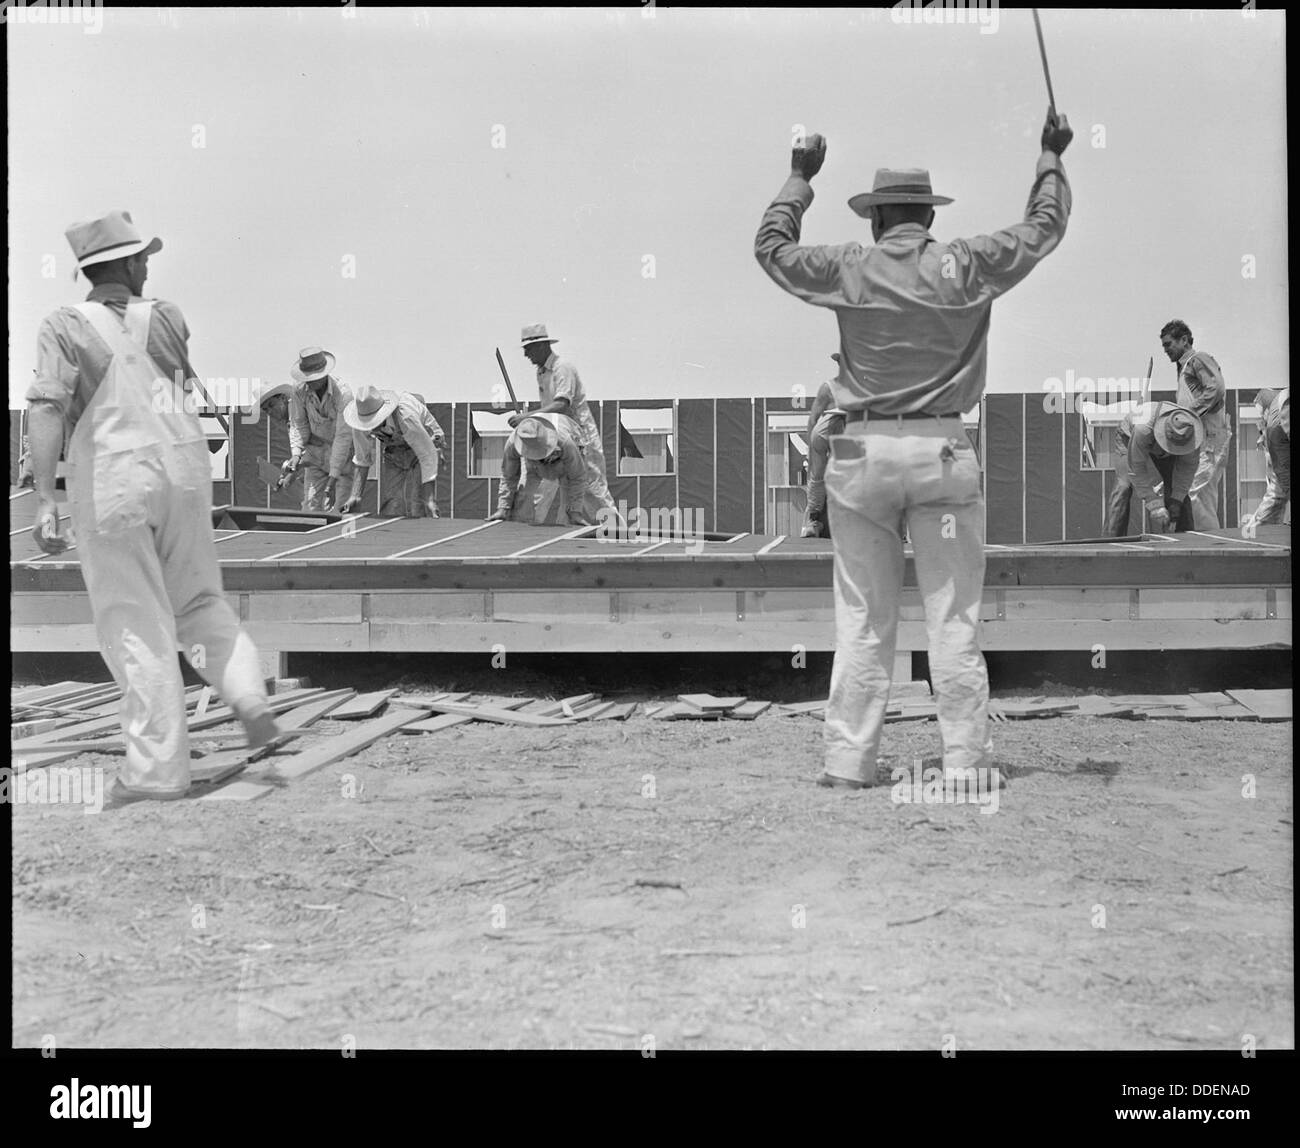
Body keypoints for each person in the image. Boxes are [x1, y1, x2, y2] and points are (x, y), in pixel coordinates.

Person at [755, 108, 1073, 792]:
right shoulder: (969, 264)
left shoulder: (851, 266)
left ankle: (848, 763)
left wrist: (798, 178)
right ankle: (964, 760)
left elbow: (772, 251)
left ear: (875, 218)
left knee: (864, 618)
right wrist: (1049, 158)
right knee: (952, 615)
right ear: (928, 217)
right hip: (944, 454)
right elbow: (1044, 229)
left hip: (862, 456)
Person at [25, 209, 281, 805]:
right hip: (186, 475)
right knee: (200, 603)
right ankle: (247, 696)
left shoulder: (63, 324)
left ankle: (156, 775)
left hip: (114, 480)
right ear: (125, 262)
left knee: (135, 620)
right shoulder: (168, 316)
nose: (147, 266)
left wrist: (44, 497)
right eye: (142, 257)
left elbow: (47, 407)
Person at [510, 324, 616, 518]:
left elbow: (562, 405)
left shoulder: (563, 368)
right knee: (542, 489)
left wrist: (528, 416)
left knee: (592, 489)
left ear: (541, 347)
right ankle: (532, 532)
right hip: (556, 437)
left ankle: (617, 531)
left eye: (528, 349)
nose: (526, 355)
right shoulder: (542, 372)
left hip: (580, 439)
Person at [1159, 319, 1231, 530]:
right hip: (1200, 441)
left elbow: (1215, 389)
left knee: (1195, 495)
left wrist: (1188, 415)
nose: (1166, 351)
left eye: (1168, 344)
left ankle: (1208, 548)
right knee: (1198, 497)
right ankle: (1208, 547)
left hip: (1210, 439)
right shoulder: (1184, 369)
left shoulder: (1198, 359)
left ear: (1184, 340)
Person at [340, 384, 446, 517]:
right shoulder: (359, 425)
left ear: (383, 415)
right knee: (392, 502)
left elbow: (427, 455)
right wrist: (355, 496)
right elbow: (362, 460)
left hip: (426, 442)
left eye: (372, 422)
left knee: (418, 502)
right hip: (394, 450)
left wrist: (430, 500)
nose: (370, 427)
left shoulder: (406, 417)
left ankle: (422, 533)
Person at [1104, 402, 1203, 535]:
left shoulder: (1191, 434)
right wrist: (1153, 503)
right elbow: (1136, 468)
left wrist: (1176, 499)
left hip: (1162, 446)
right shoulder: (1142, 429)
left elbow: (1187, 469)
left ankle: (1185, 538)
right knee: (1124, 487)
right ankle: (1112, 539)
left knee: (1179, 493)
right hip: (1129, 438)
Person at [281, 347, 356, 512]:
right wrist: (295, 454)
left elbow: (343, 437)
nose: (308, 381)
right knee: (309, 507)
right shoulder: (299, 390)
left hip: (342, 457)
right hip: (315, 454)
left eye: (313, 377)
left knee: (343, 510)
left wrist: (334, 474)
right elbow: (298, 423)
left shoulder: (343, 394)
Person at [487, 414, 596, 526]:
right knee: (523, 499)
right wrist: (503, 507)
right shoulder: (514, 443)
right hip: (533, 466)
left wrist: (575, 510)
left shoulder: (565, 442)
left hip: (565, 462)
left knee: (567, 512)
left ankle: (566, 529)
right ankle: (520, 532)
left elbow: (577, 477)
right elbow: (508, 475)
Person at [801, 354, 847, 539]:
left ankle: (814, 520)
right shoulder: (831, 388)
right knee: (820, 476)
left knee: (819, 477)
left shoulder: (831, 387)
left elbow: (813, 420)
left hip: (827, 432)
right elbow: (812, 419)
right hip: (836, 432)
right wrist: (810, 451)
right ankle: (813, 520)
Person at [1242, 387, 1290, 530]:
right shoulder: (1272, 428)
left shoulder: (1273, 423)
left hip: (1277, 464)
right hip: (1277, 463)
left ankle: (1257, 528)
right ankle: (1257, 528)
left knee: (1276, 494)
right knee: (1276, 494)